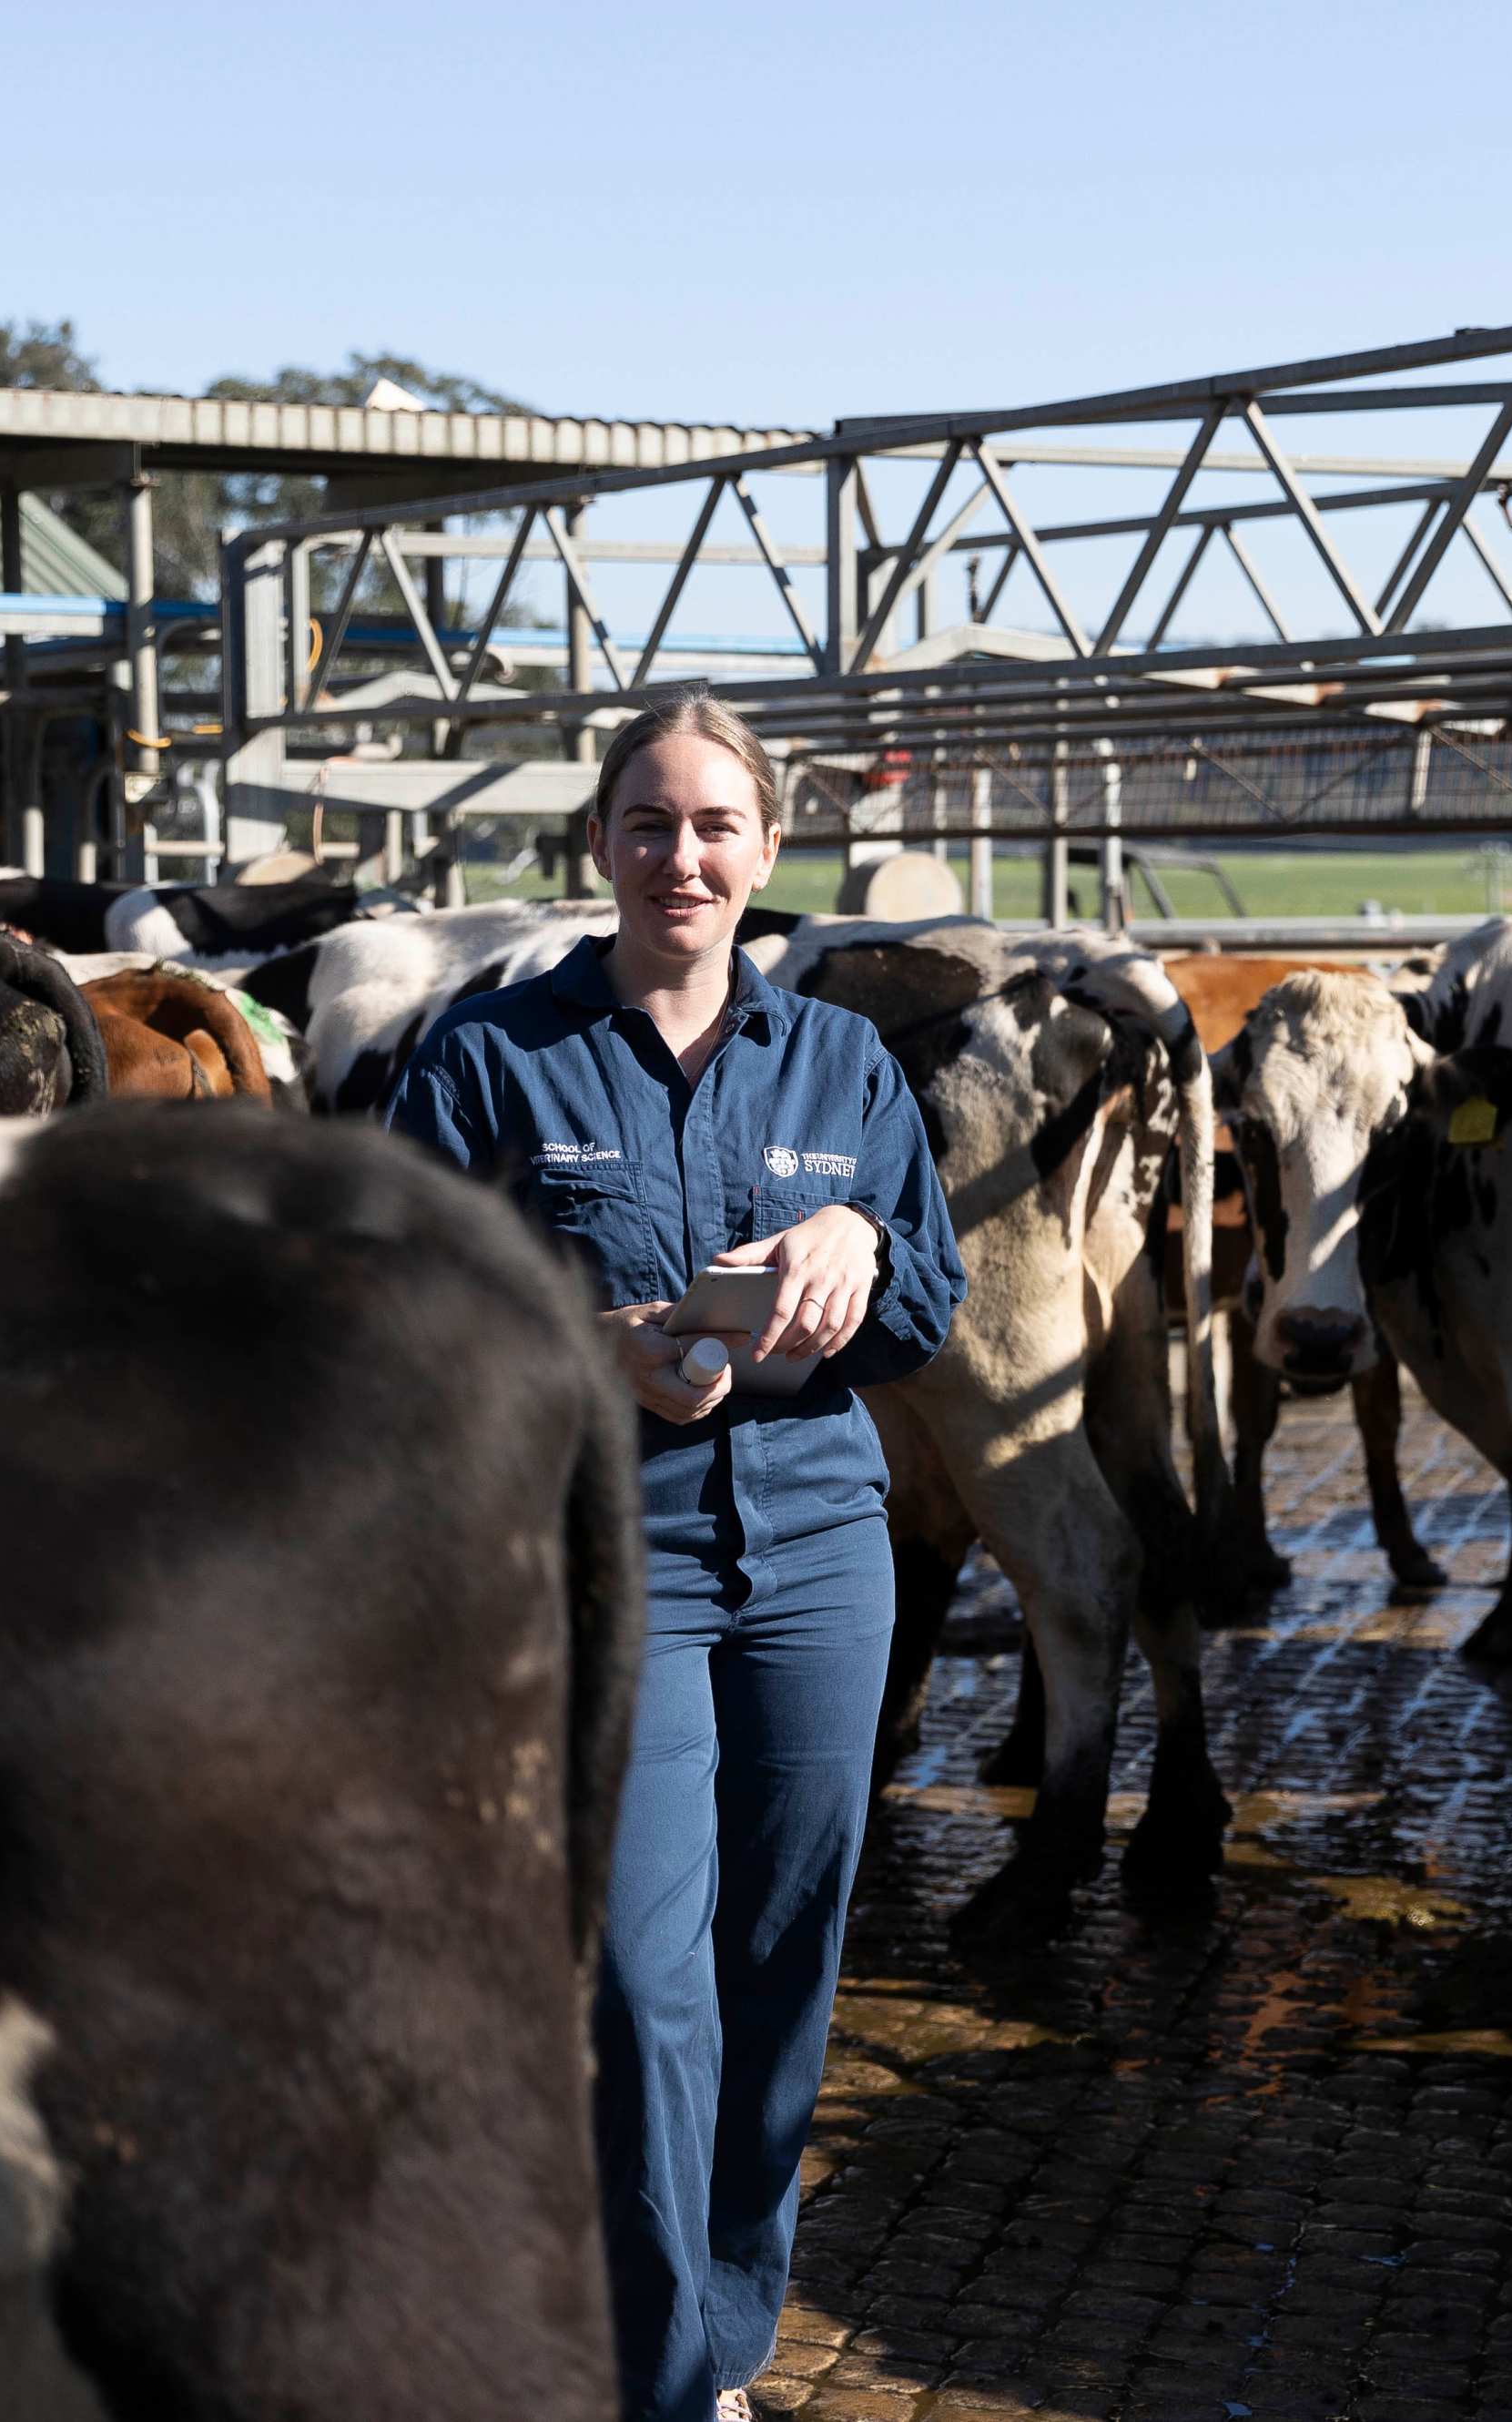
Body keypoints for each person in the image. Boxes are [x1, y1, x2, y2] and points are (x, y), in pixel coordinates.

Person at [389, 695, 966, 2422]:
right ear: (600, 847)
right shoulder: (492, 1060)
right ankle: (652, 2379)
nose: (683, 856)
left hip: (817, 1554)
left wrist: (858, 1238)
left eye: (718, 826)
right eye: (651, 823)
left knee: (784, 1960)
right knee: (645, 1983)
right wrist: (590, 1340)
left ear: (768, 853)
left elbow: (927, 1311)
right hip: (609, 1555)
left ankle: (719, 2346)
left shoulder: (844, 1070)